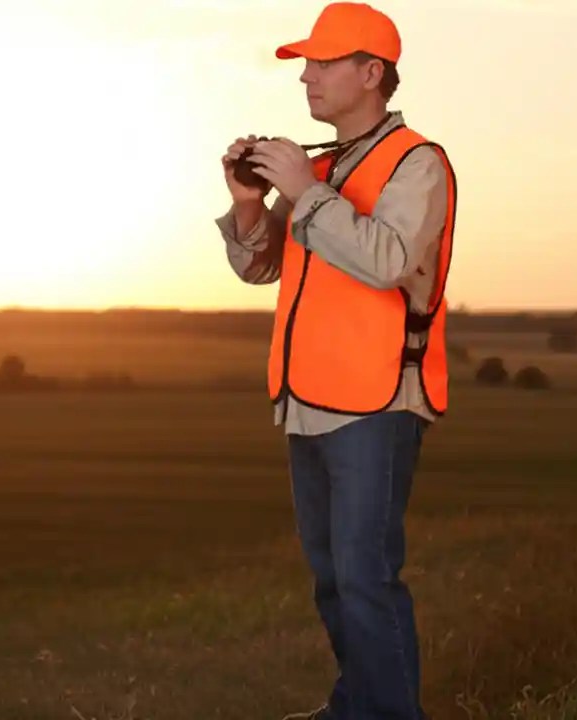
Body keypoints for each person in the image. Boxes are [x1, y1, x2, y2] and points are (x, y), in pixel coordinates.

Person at [214, 3, 457, 718]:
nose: (308, 78)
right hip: (308, 399)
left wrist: (305, 190)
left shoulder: (418, 163)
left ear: (371, 72)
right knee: (331, 579)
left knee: (366, 577)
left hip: (376, 404)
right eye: (306, 65)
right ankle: (359, 705)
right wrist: (250, 205)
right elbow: (261, 271)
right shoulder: (318, 168)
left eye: (324, 63)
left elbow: (385, 261)